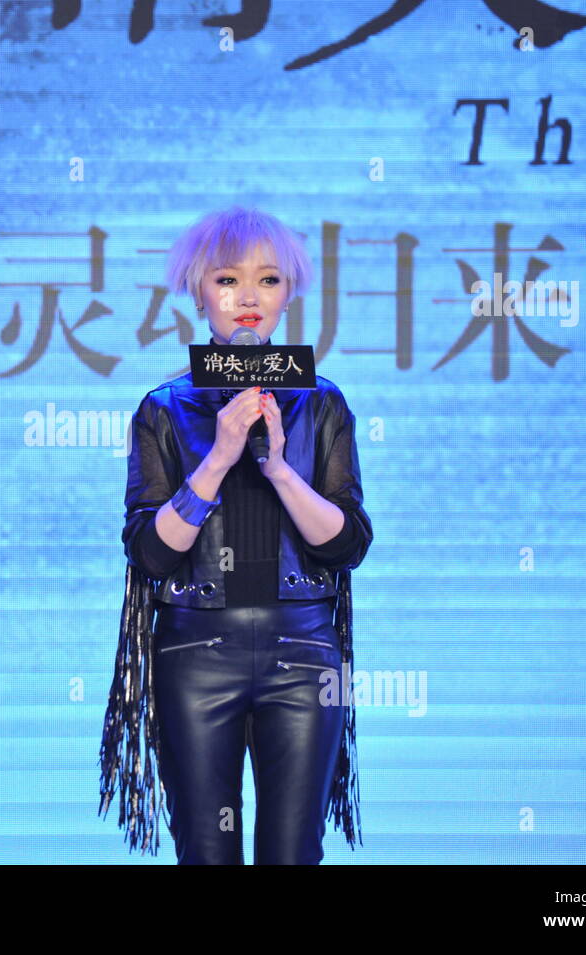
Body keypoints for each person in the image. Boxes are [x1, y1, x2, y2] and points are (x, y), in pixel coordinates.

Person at [99, 206, 372, 864]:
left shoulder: (322, 402)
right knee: (206, 850)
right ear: (198, 290)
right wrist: (219, 456)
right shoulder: (165, 407)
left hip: (304, 650)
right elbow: (150, 552)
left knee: (292, 850)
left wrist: (278, 468)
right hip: (195, 650)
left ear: (290, 292)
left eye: (269, 280)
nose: (248, 298)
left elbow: (348, 543)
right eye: (227, 280)